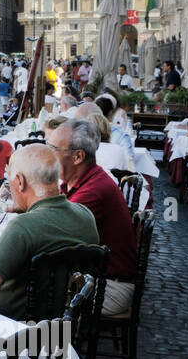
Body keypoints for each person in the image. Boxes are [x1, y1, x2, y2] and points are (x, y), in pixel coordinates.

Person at [0, 145, 99, 319]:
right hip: (64, 326)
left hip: (14, 332)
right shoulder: (86, 215)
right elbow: (53, 228)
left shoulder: (22, 228)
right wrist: (29, 209)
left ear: (19, 181)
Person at [47, 118, 140, 315]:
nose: (48, 155)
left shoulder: (92, 191)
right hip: (98, 277)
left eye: (53, 148)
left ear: (78, 156)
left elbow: (50, 235)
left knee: (32, 290)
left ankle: (40, 342)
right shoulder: (80, 180)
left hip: (111, 287)